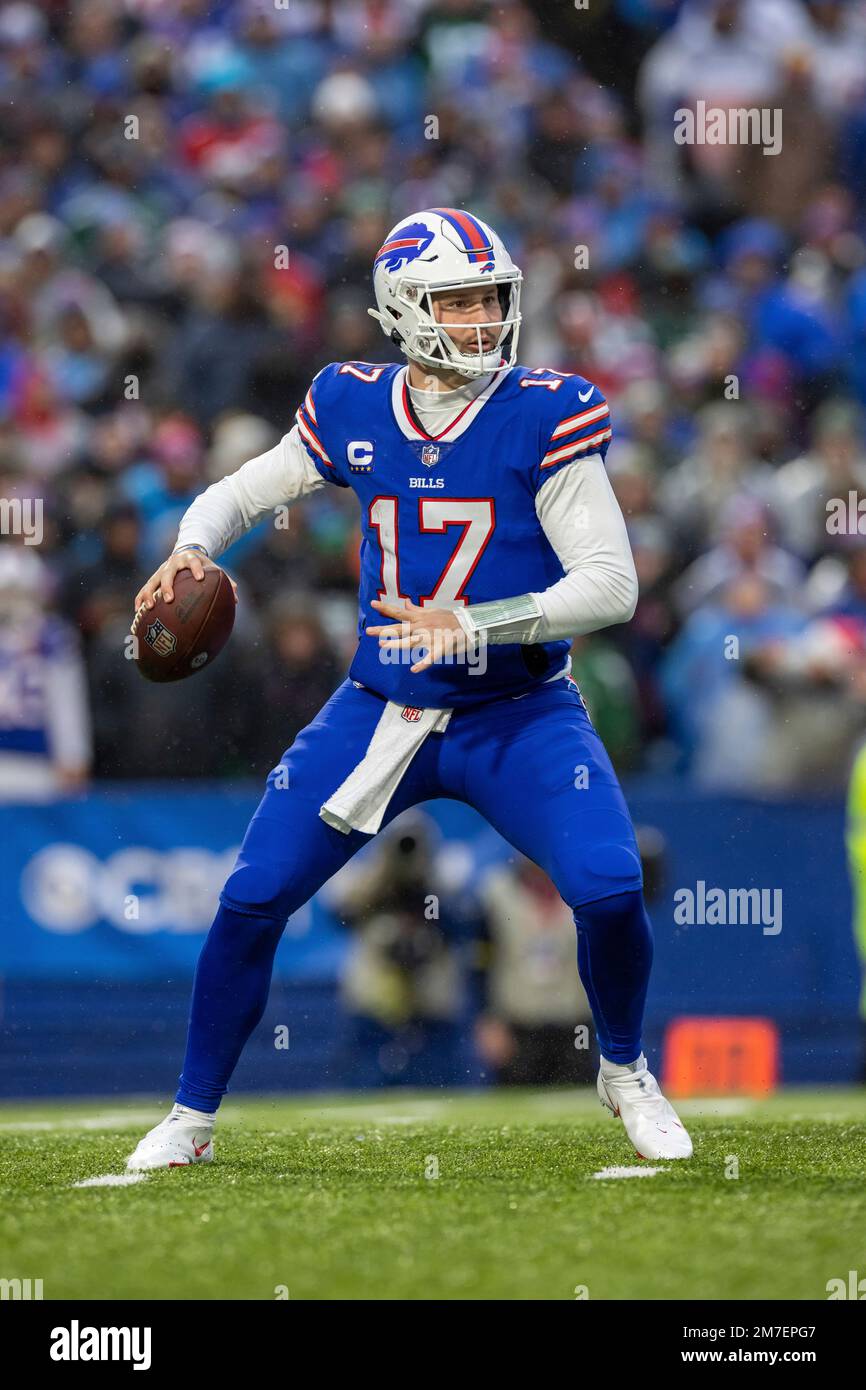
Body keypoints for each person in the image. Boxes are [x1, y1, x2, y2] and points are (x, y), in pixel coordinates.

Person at [126, 208, 692, 1169]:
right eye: (457, 300)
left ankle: (626, 1070)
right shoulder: (351, 402)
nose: (481, 320)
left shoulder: (543, 411)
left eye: (491, 299)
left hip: (518, 710)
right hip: (382, 704)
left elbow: (611, 585)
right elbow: (244, 491)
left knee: (606, 888)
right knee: (254, 894)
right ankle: (192, 1117)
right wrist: (188, 549)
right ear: (403, 308)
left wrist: (473, 622)